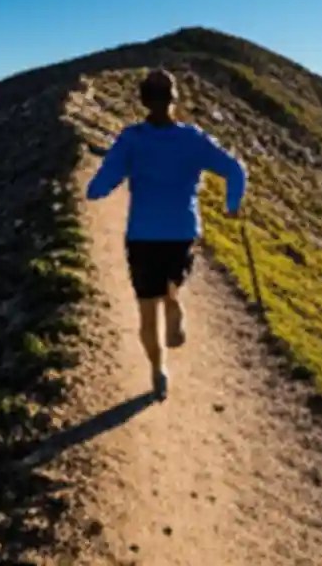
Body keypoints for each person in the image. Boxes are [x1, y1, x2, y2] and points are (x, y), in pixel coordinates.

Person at [86, 69, 248, 401]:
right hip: (181, 231)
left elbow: (101, 186)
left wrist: (95, 187)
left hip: (143, 234)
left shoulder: (131, 138)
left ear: (144, 101)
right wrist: (231, 204)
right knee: (171, 285)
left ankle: (158, 372)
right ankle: (174, 301)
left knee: (147, 312)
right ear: (174, 100)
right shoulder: (193, 138)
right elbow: (235, 169)